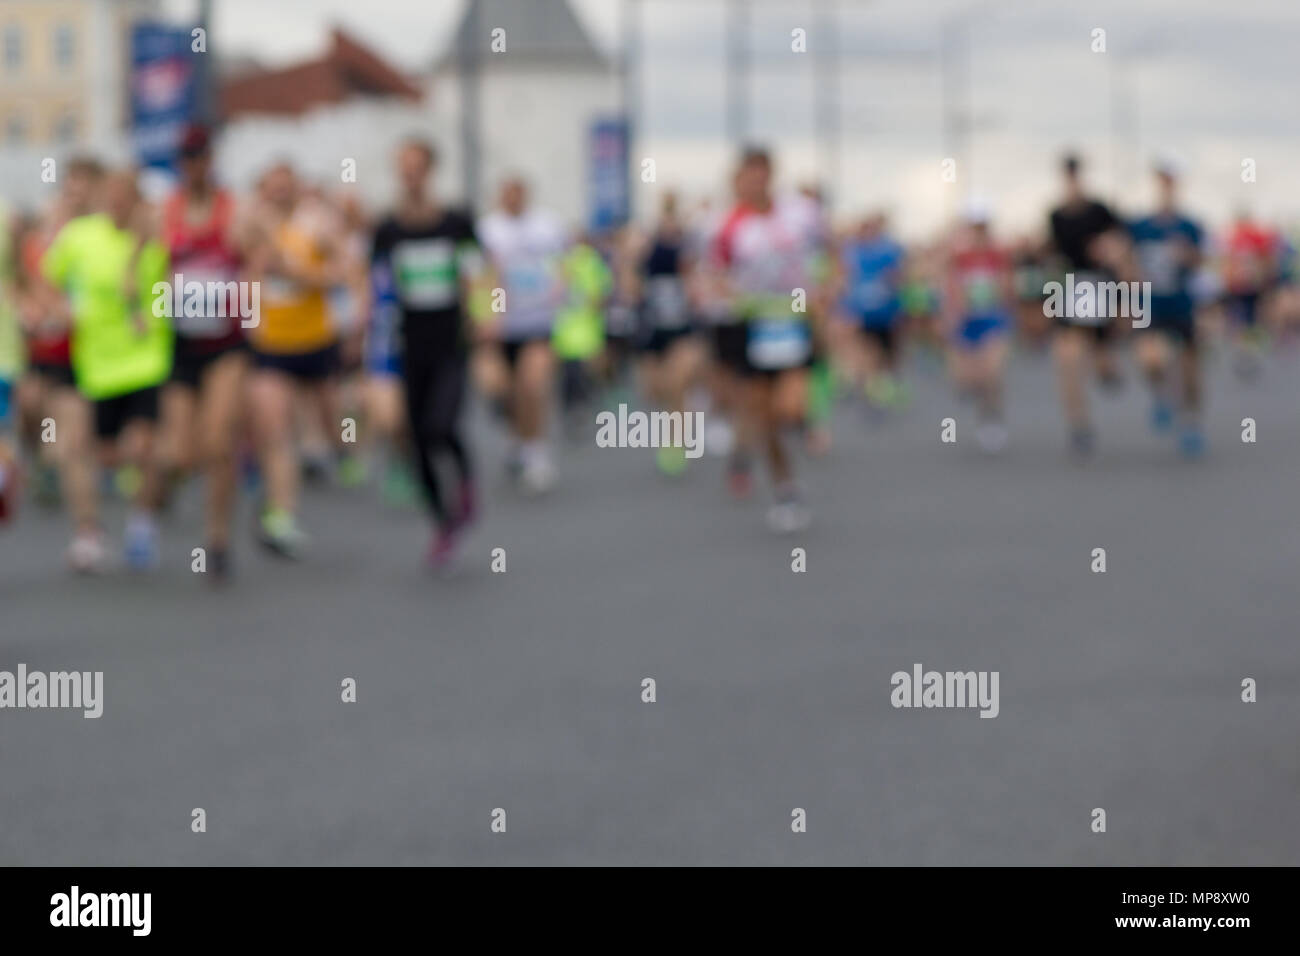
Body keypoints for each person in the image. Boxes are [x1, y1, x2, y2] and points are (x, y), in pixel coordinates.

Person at [41, 167, 172, 570]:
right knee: (77, 448)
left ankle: (142, 524)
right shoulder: (79, 237)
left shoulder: (156, 239)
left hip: (145, 361)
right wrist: (60, 308)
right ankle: (88, 533)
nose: (116, 205)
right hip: (94, 364)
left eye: (124, 197)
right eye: (110, 197)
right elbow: (47, 278)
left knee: (141, 448)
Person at [370, 138, 482, 567]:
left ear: (430, 170)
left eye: (417, 166)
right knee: (413, 439)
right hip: (407, 344)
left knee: (442, 424)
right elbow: (375, 283)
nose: (410, 175)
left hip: (451, 342)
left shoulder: (455, 221)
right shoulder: (387, 228)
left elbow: (477, 273)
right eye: (403, 167)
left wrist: (484, 314)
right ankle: (442, 524)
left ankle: (467, 485)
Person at [705, 146, 823, 532]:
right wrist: (728, 294)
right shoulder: (727, 224)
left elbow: (828, 257)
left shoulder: (801, 213)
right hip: (751, 326)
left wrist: (824, 291)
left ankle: (802, 428)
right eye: (748, 175)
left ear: (771, 174)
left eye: (762, 174)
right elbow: (715, 273)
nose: (756, 182)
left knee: (790, 407)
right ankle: (785, 487)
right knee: (763, 415)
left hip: (793, 320)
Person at [155, 125, 248, 580]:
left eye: (202, 157)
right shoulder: (162, 214)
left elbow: (260, 258)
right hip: (179, 344)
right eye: (187, 158)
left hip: (226, 343)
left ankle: (217, 540)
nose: (195, 166)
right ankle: (162, 489)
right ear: (180, 163)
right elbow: (136, 265)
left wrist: (256, 297)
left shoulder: (235, 211)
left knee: (218, 443)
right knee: (179, 454)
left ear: (212, 161)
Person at [239, 161, 344, 557]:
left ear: (298, 188)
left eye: (287, 186)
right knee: (276, 428)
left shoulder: (318, 224)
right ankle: (281, 516)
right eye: (272, 187)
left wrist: (298, 272)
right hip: (271, 345)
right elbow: (243, 274)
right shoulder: (252, 225)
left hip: (316, 340)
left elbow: (342, 273)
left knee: (332, 422)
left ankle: (339, 450)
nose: (279, 193)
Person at [477, 177, 567, 494]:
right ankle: (515, 437)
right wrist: (486, 315)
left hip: (537, 323)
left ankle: (536, 451)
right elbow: (479, 275)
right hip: (500, 327)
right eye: (507, 193)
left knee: (533, 385)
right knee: (501, 389)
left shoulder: (548, 226)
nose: (513, 199)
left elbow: (562, 267)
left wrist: (559, 294)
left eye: (518, 193)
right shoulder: (488, 230)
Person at [1047, 153, 1128, 457]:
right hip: (1070, 288)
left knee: (1102, 358)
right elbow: (1054, 258)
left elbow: (1122, 247)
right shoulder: (1055, 215)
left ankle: (1107, 370)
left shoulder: (1100, 210)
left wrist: (1110, 252)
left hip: (1101, 287)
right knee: (1067, 359)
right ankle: (1079, 425)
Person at [1128, 162, 1206, 458]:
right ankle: (1161, 394)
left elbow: (1202, 262)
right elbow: (1126, 260)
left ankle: (1191, 423)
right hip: (1150, 305)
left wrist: (1186, 254)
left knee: (1189, 370)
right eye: (1162, 183)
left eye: (1171, 183)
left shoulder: (1189, 225)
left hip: (1181, 305)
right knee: (1151, 359)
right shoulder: (1140, 226)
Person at [634, 192, 705, 475]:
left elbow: (702, 278)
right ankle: (676, 416)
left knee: (677, 382)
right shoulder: (645, 247)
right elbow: (629, 282)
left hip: (682, 328)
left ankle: (675, 441)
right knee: (655, 390)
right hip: (651, 329)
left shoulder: (689, 247)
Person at [942, 199, 1013, 453]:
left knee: (992, 372)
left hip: (992, 319)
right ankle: (977, 396)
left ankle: (991, 419)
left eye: (982, 226)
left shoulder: (999, 252)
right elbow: (948, 284)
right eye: (974, 226)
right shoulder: (956, 253)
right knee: (967, 380)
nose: (979, 231)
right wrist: (952, 313)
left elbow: (1007, 285)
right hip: (965, 322)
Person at [836, 212, 908, 413]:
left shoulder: (889, 250)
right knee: (866, 350)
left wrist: (898, 307)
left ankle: (886, 382)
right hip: (861, 313)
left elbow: (898, 278)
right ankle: (870, 387)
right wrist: (845, 308)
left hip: (886, 312)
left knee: (889, 351)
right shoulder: (851, 251)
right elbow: (844, 280)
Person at [1220, 208, 1277, 380]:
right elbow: (1228, 262)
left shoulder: (1257, 238)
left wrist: (1264, 280)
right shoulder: (1234, 239)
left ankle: (1253, 351)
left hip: (1253, 287)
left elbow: (1266, 260)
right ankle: (1245, 352)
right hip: (1238, 287)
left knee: (1253, 320)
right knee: (1241, 320)